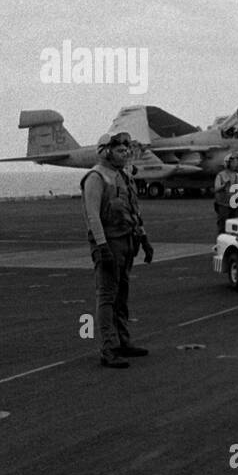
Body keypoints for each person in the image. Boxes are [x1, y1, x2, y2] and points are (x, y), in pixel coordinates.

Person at [82, 132, 153, 368]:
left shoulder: (123, 176)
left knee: (122, 295)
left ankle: (123, 341)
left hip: (127, 241)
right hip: (109, 244)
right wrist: (102, 246)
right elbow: (92, 215)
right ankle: (108, 349)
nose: (125, 152)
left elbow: (133, 210)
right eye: (119, 149)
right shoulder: (96, 177)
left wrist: (143, 239)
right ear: (105, 151)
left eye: (125, 148)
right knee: (107, 297)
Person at [213, 153, 238, 233]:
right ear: (227, 163)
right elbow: (216, 188)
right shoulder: (220, 175)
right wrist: (223, 186)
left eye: (236, 162)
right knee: (223, 226)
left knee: (235, 226)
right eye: (233, 162)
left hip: (235, 205)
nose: (235, 164)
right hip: (223, 205)